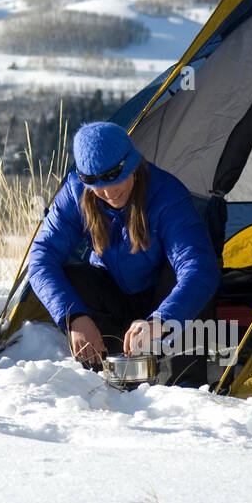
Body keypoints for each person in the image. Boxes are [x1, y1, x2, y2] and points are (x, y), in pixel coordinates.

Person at [27, 121, 220, 385]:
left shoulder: (167, 195)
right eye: (95, 183)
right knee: (73, 278)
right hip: (115, 298)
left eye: (114, 177)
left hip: (162, 299)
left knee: (184, 280)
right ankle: (107, 376)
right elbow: (41, 258)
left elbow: (200, 269)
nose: (108, 192)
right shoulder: (75, 194)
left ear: (132, 164)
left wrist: (160, 321)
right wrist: (73, 317)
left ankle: (183, 385)